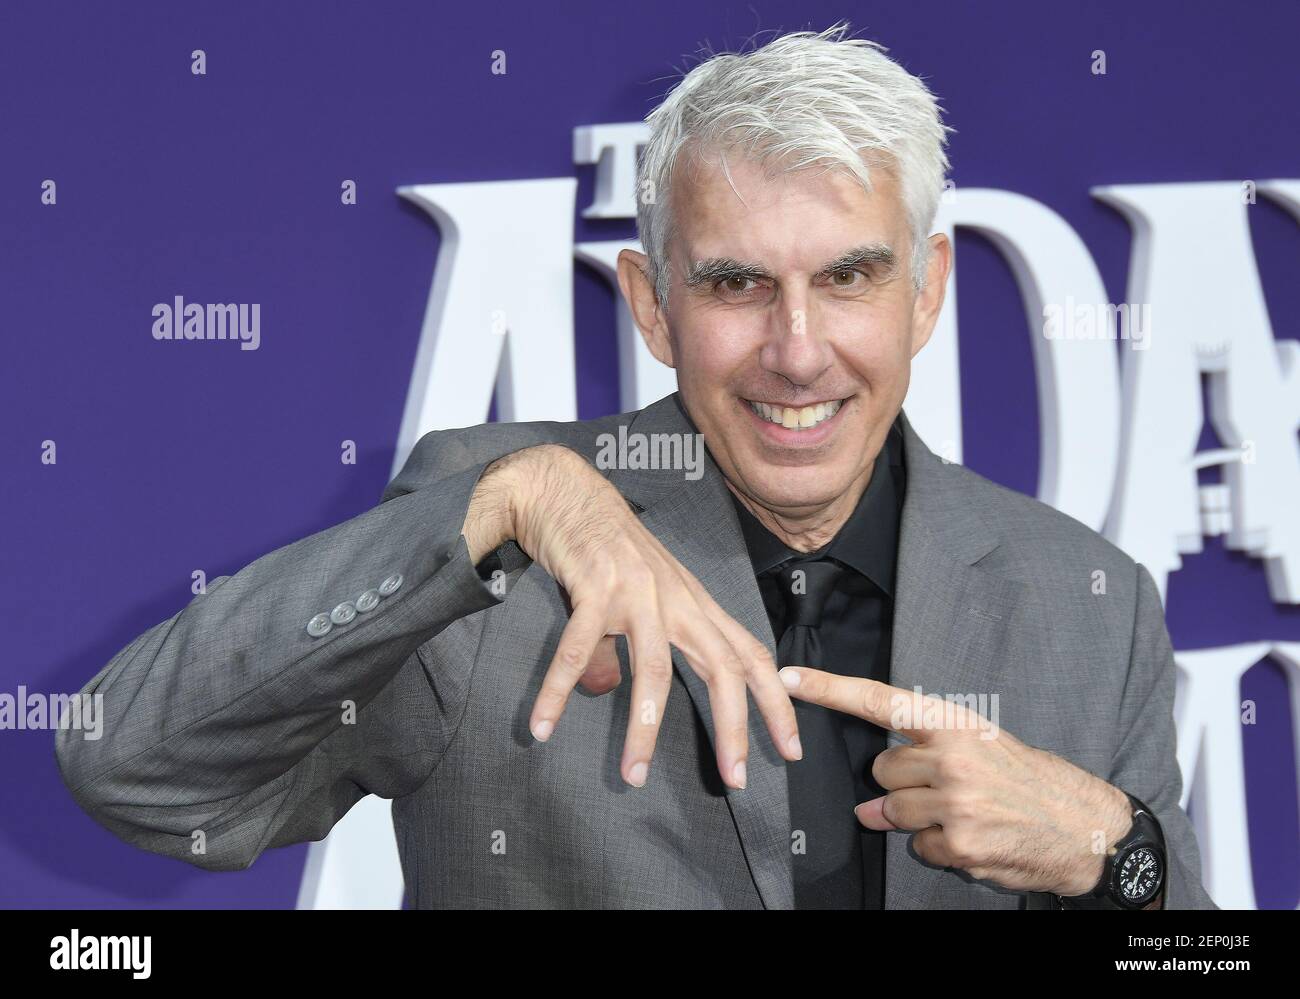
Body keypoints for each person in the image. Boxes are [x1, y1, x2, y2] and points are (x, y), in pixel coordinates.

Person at [54, 23, 1215, 909]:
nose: (797, 350)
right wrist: (513, 494)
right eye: (734, 284)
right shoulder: (491, 551)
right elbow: (137, 774)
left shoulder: (1086, 601)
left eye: (849, 277)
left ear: (928, 293)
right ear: (652, 307)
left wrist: (1114, 853)